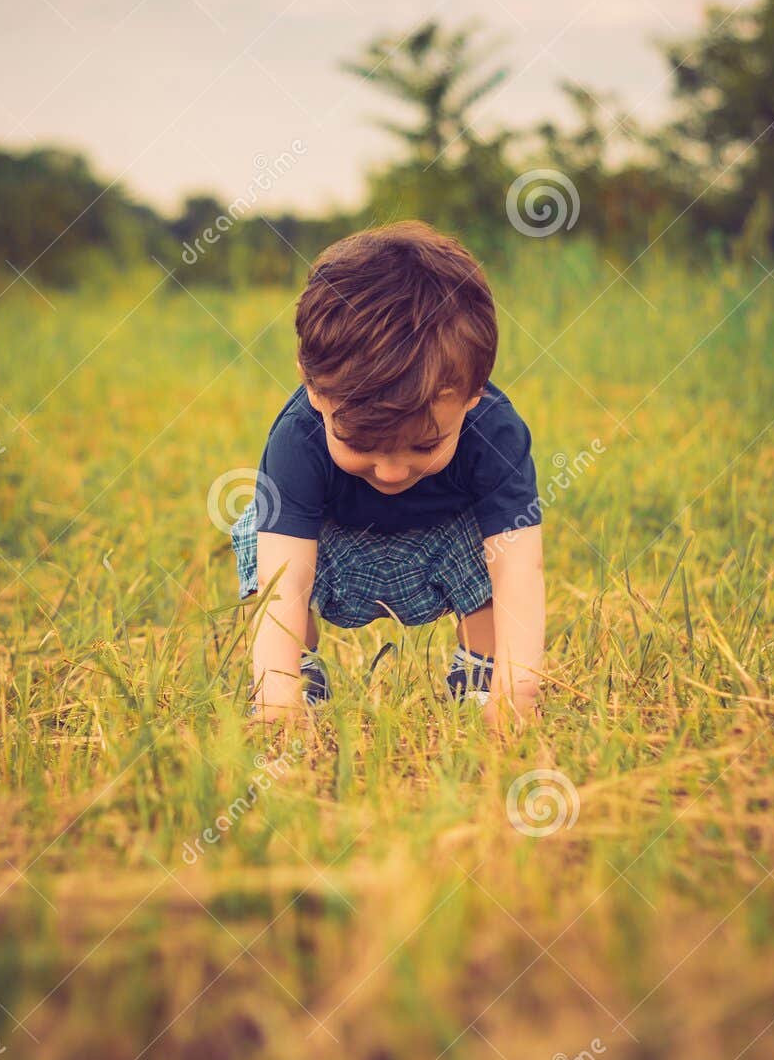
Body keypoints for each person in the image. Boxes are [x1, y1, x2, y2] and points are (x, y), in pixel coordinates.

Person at [231, 221, 545, 726]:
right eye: (360, 443)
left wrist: (521, 686)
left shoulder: (495, 431)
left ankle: (483, 676)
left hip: (445, 557)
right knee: (256, 530)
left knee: (499, 547)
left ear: (473, 393)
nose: (393, 470)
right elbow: (284, 578)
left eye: (425, 444)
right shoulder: (297, 439)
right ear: (314, 388)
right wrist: (274, 688)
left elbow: (520, 569)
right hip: (334, 557)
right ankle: (300, 674)